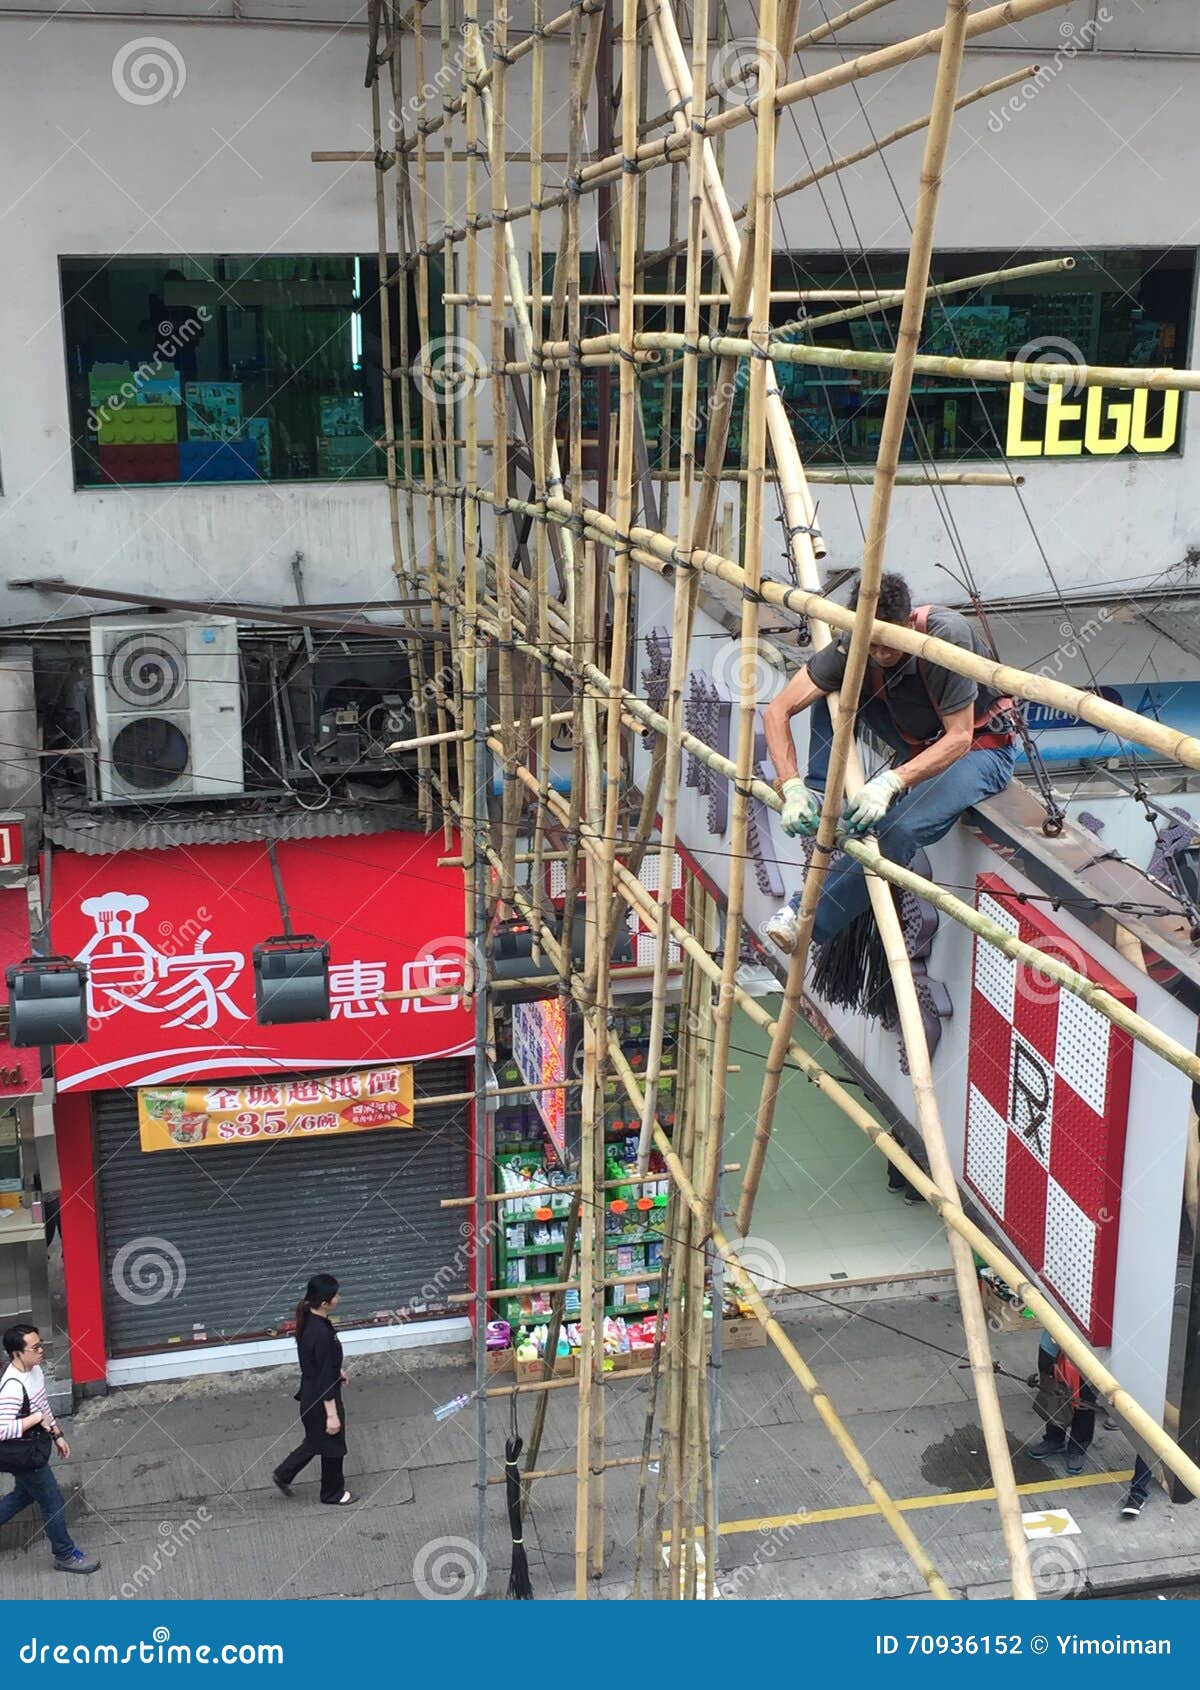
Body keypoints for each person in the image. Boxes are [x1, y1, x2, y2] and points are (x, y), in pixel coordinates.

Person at [762, 572, 1017, 953]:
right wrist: (792, 785)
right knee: (831, 695)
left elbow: (960, 736)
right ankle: (818, 791)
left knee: (899, 829)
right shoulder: (855, 641)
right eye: (872, 644)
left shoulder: (945, 636)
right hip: (915, 736)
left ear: (907, 622)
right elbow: (778, 710)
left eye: (889, 643)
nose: (880, 653)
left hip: (979, 748)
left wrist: (891, 782)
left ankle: (804, 916)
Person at [0, 1324, 99, 1574]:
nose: (41, 1350)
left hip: (32, 1449)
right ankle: (64, 1554)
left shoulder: (35, 1371)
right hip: (24, 1456)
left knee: (23, 1494)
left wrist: (57, 1435)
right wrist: (34, 1419)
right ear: (17, 1354)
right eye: (35, 1347)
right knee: (52, 1500)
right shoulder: (12, 1386)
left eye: (41, 1344)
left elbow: (43, 1404)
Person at [273, 1274, 355, 1506]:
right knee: (333, 1446)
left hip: (311, 1394)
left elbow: (317, 1363)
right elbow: (323, 1376)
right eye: (336, 1295)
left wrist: (336, 1370)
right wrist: (332, 1415)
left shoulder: (311, 1320)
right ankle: (332, 1494)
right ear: (324, 1302)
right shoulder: (319, 1332)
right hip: (321, 1399)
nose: (339, 1297)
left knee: (316, 1440)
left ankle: (284, 1473)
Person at [1030, 1331, 1097, 1476]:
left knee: (1083, 1400)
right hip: (1052, 1340)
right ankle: (1054, 1438)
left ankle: (1078, 1448)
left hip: (1087, 1347)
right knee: (1052, 1390)